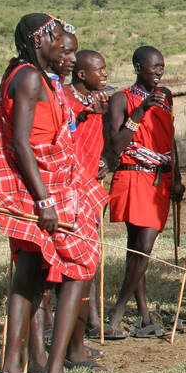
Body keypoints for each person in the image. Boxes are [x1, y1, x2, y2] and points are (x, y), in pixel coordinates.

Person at [0, 14, 103, 373]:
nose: (63, 42)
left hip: (42, 183)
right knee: (81, 265)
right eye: (57, 37)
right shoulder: (26, 77)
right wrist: (44, 200)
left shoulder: (31, 75)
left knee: (27, 278)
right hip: (45, 189)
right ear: (38, 40)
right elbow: (23, 142)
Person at [102, 47, 185, 339]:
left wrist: (176, 176)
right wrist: (140, 110)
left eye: (162, 66)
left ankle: (144, 316)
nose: (159, 71)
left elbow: (169, 139)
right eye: (153, 67)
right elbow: (116, 146)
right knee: (141, 248)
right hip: (132, 177)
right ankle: (118, 312)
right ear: (138, 66)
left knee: (139, 251)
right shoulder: (121, 99)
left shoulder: (166, 96)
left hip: (159, 180)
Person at [69, 46, 111, 339]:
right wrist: (85, 115)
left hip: (91, 187)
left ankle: (92, 319)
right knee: (66, 258)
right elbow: (63, 133)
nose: (106, 74)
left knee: (90, 255)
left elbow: (103, 142)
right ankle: (53, 323)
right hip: (67, 187)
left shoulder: (100, 101)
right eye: (100, 69)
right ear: (82, 74)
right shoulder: (65, 100)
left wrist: (105, 159)